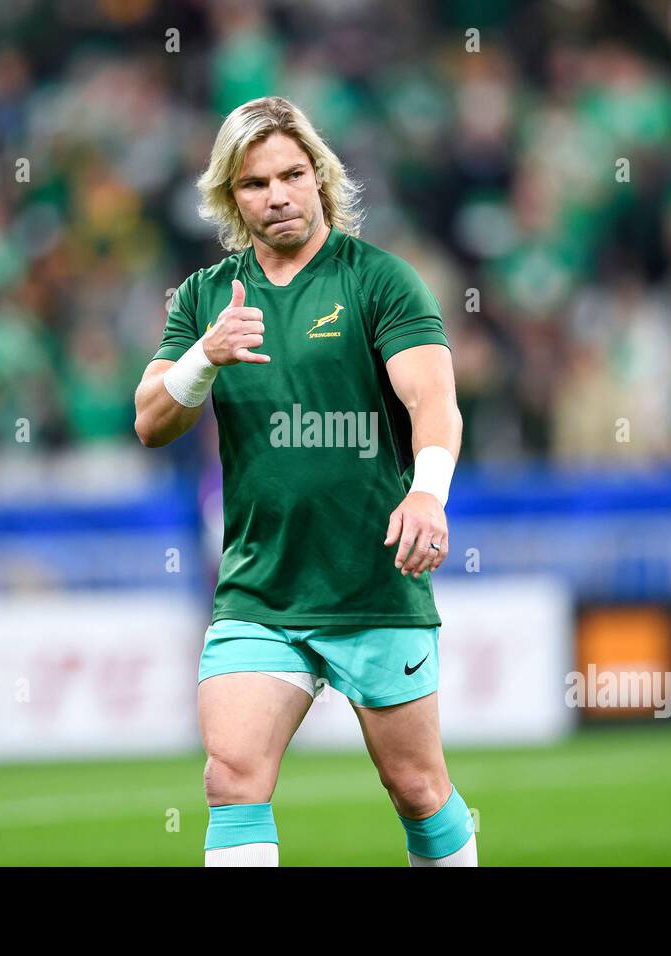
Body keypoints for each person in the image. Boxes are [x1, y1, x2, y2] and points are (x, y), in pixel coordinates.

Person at [134, 96, 473, 867]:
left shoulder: (379, 281)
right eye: (255, 183)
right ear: (230, 197)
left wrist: (429, 491)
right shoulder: (204, 299)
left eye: (292, 174)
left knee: (417, 788)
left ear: (320, 178)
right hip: (261, 589)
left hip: (372, 581)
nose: (278, 194)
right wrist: (203, 359)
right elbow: (151, 421)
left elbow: (434, 401)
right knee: (232, 778)